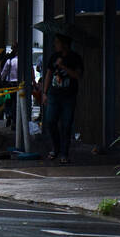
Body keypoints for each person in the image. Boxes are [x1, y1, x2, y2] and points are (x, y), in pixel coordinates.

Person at [41, 32, 84, 163]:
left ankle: (64, 153)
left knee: (66, 124)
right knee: (50, 121)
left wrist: (63, 66)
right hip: (54, 94)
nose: (55, 45)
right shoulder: (54, 57)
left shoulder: (75, 58)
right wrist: (44, 92)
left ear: (65, 44)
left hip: (69, 96)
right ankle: (56, 147)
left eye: (57, 42)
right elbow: (48, 74)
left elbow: (78, 75)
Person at [0, 46, 20, 127]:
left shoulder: (10, 61)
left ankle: (9, 115)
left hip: (9, 85)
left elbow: (3, 73)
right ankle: (14, 121)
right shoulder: (22, 62)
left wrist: (1, 81)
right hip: (18, 85)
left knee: (8, 101)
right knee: (16, 103)